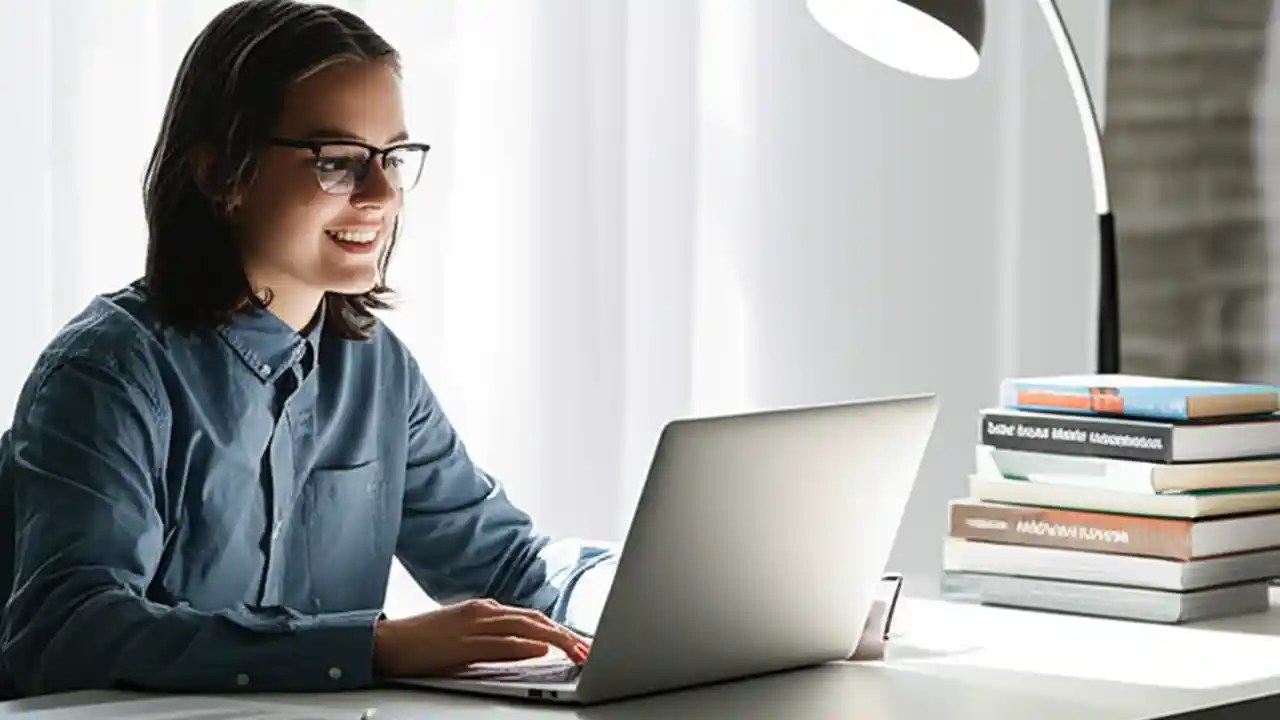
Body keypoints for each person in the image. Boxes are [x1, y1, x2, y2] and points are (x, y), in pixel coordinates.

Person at [0, 0, 616, 699]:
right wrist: (373, 648)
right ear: (218, 173)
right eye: (338, 162)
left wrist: (641, 595)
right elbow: (69, 631)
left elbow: (508, 565)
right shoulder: (108, 375)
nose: (383, 194)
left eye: (393, 157)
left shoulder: (378, 371)